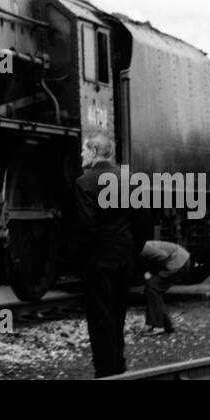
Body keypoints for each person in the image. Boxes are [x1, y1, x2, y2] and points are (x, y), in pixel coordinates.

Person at [73, 132, 146, 377]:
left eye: (85, 149)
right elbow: (143, 223)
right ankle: (118, 362)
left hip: (98, 259)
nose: (82, 153)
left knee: (100, 317)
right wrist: (133, 251)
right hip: (124, 256)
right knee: (118, 312)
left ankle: (105, 370)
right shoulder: (131, 179)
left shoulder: (84, 182)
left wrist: (82, 257)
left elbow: (85, 226)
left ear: (95, 152)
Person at [140, 240, 191, 335]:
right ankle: (165, 325)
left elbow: (162, 256)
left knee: (152, 287)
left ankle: (158, 326)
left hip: (178, 260)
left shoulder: (144, 249)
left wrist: (150, 272)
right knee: (153, 290)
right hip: (180, 259)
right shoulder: (142, 248)